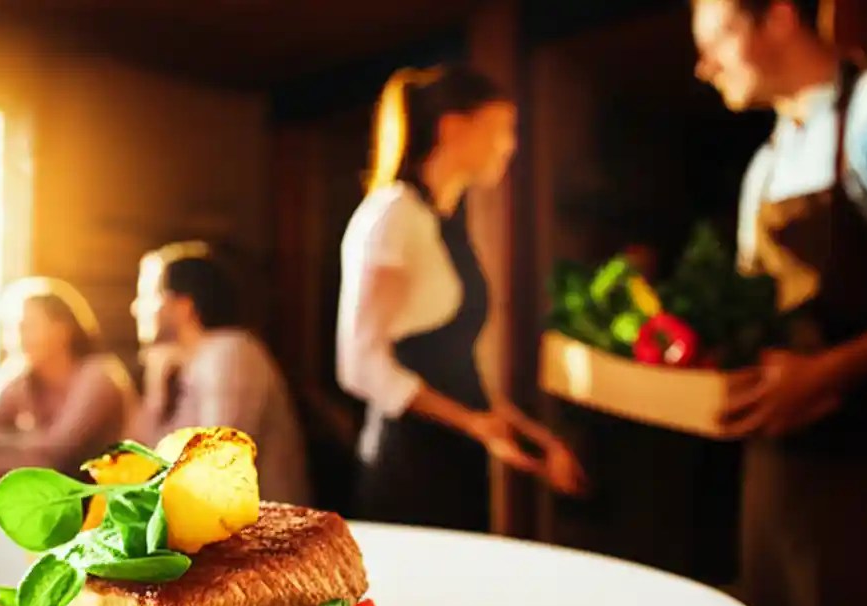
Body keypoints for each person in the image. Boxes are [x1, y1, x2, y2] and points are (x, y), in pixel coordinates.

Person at [693, 0, 867, 606]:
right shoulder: (765, 164)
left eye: (719, 38)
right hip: (777, 467)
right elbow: (750, 318)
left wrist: (829, 373)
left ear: (780, 17)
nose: (704, 66)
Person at [336, 64, 584, 532]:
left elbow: (456, 374)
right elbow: (360, 366)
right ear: (453, 127)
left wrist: (533, 436)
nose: (510, 145)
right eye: (502, 129)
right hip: (408, 469)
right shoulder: (392, 215)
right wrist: (474, 425)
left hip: (454, 464)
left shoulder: (442, 222)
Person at [130, 241, 311, 506]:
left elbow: (216, 462)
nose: (136, 307)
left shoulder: (230, 351)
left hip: (263, 529)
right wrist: (156, 395)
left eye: (147, 295)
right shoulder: (174, 363)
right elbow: (135, 466)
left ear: (184, 305)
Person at [0, 278, 136, 474]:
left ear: (62, 330)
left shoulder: (97, 375)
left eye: (26, 327)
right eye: (11, 329)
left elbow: (60, 450)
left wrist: (6, 445)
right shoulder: (21, 377)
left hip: (113, 493)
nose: (17, 339)